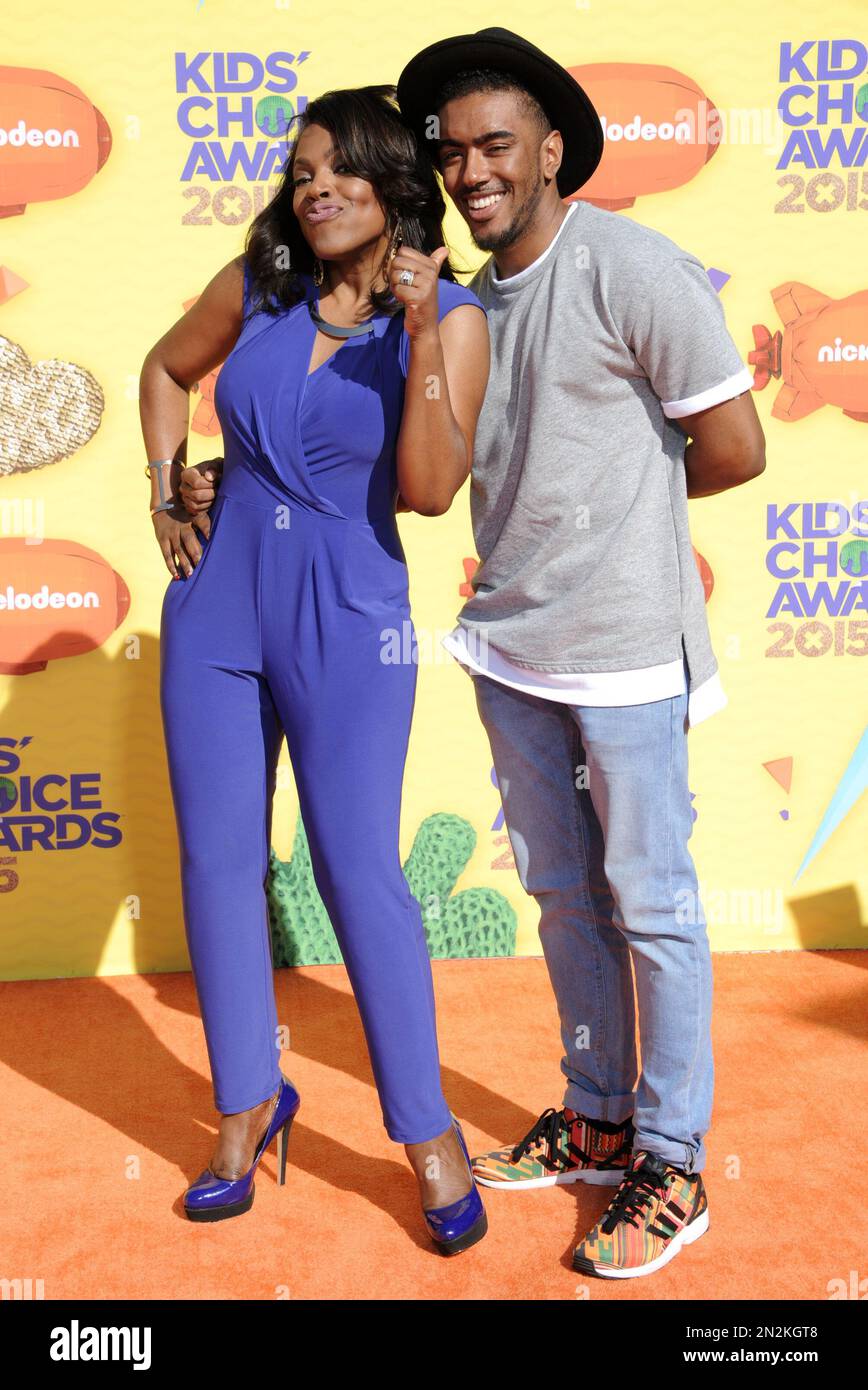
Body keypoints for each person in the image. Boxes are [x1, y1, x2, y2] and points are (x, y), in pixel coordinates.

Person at [395, 28, 766, 1278]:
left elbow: (733, 448)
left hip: (623, 651)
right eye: (452, 154)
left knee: (652, 905)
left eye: (494, 144)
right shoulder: (464, 301)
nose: (471, 171)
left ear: (551, 151)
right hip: (510, 646)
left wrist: (620, 534)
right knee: (562, 898)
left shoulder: (634, 266)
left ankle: (672, 1160)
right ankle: (598, 1113)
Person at [139, 84, 491, 1253]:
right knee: (218, 860)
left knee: (357, 871)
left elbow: (432, 490)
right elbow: (161, 371)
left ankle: (426, 1127)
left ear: (396, 185)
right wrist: (167, 485)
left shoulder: (450, 319)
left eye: (341, 169)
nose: (316, 188)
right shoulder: (257, 289)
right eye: (300, 171)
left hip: (347, 612)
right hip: (217, 602)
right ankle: (245, 1102)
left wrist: (428, 327)